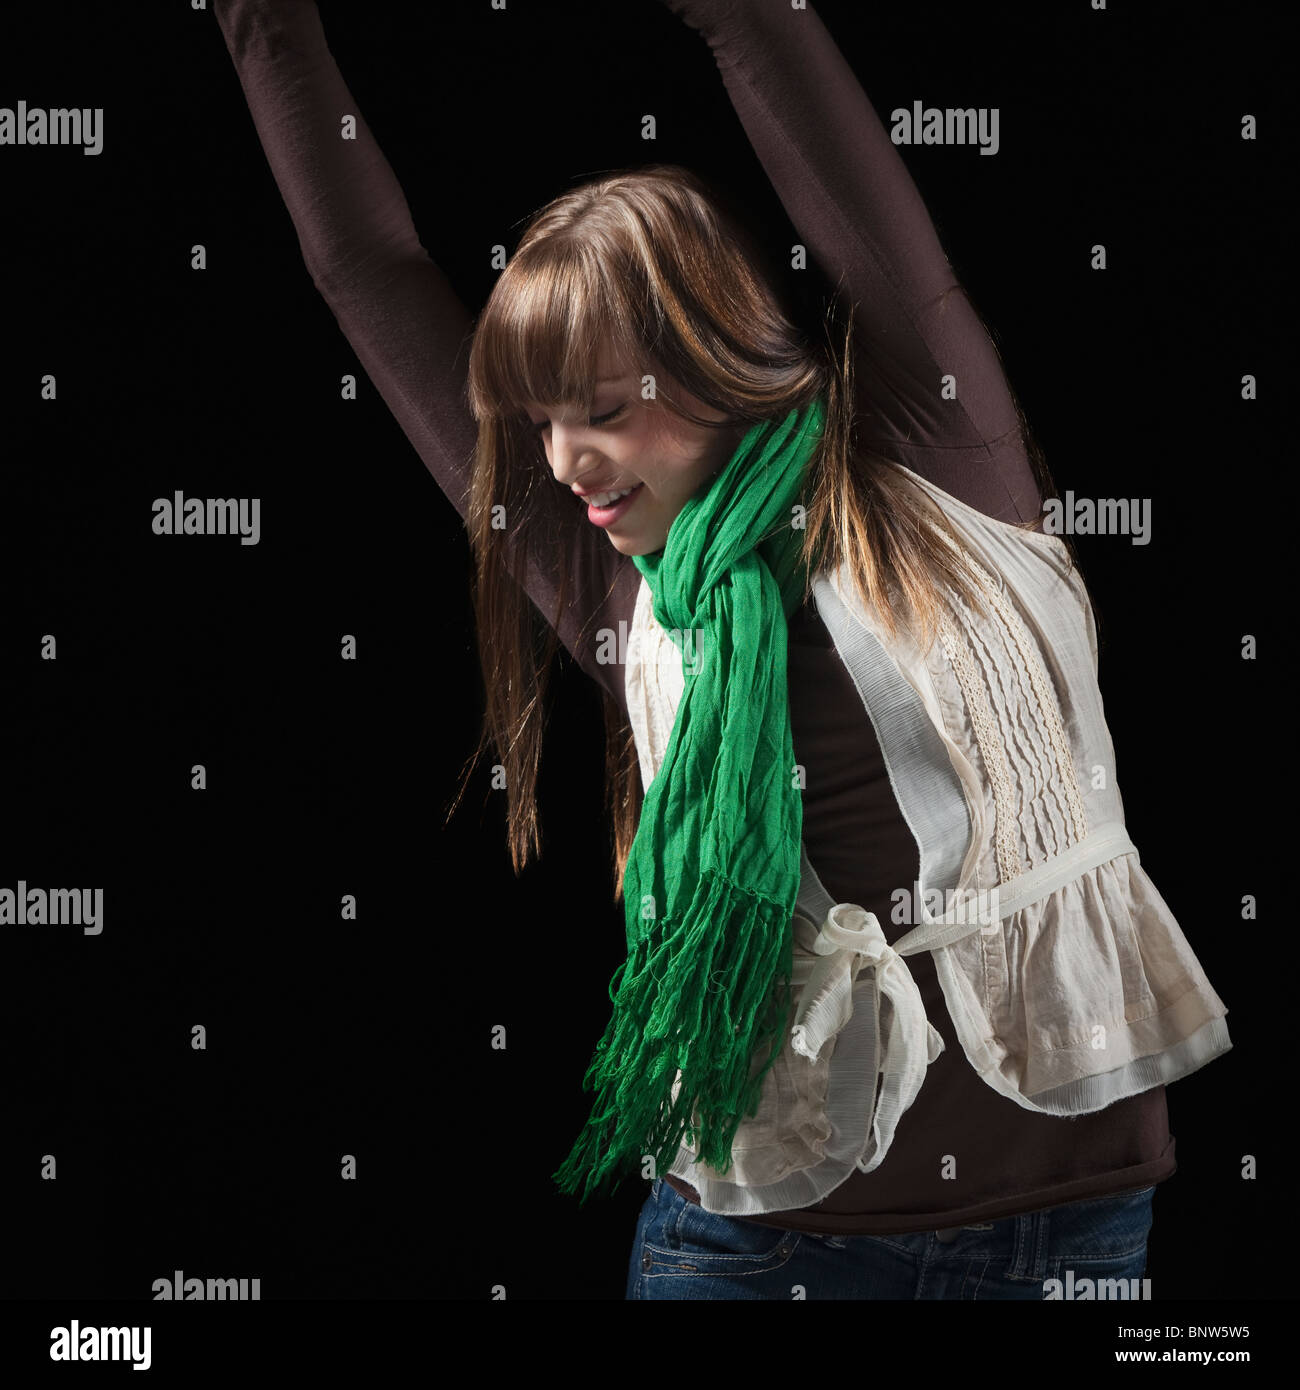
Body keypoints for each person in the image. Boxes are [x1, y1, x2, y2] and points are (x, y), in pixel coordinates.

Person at [213, 0, 1231, 1300]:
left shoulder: (945, 459)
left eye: (601, 410)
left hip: (1070, 1231)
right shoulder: (615, 582)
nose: (565, 461)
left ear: (717, 359)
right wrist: (262, 24)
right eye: (536, 420)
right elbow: (365, 264)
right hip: (752, 1252)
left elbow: (762, 30)